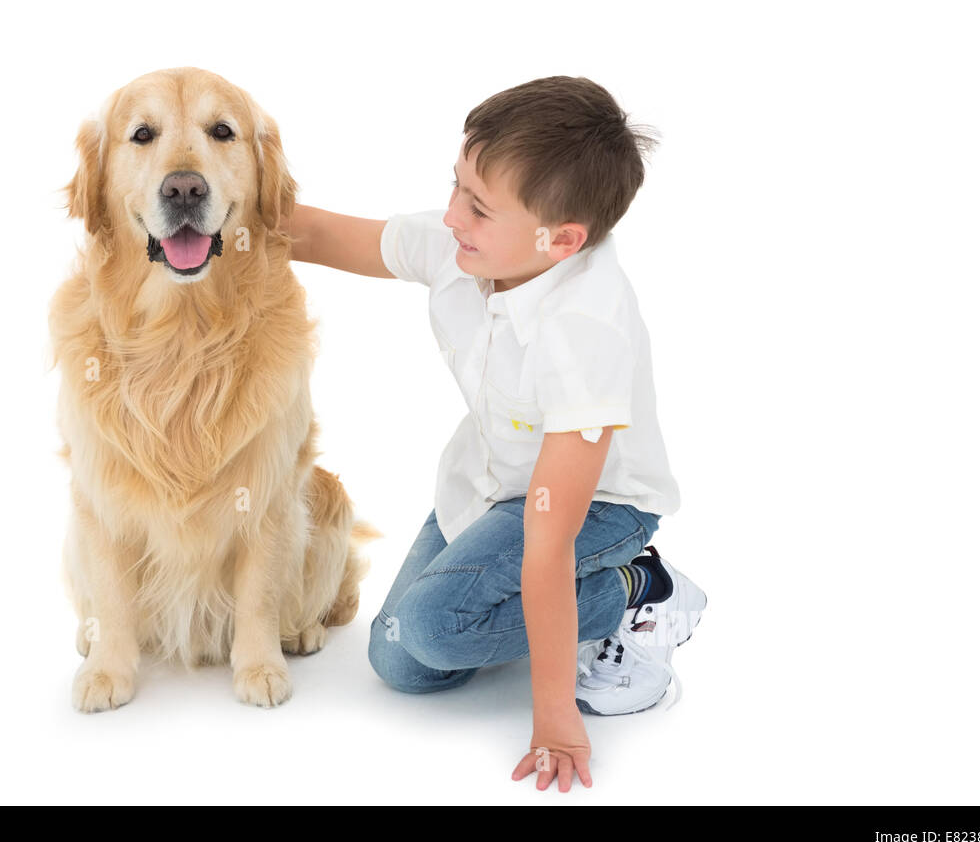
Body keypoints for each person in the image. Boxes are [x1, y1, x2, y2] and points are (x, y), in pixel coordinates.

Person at [282, 76, 707, 792]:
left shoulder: (583, 330)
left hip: (594, 509)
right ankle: (552, 606)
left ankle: (638, 588)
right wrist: (193, 211)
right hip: (488, 485)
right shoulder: (473, 248)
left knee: (434, 630)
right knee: (401, 662)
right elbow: (318, 233)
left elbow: (546, 540)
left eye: (477, 207)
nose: (451, 216)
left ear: (561, 240)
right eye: (456, 186)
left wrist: (552, 717)